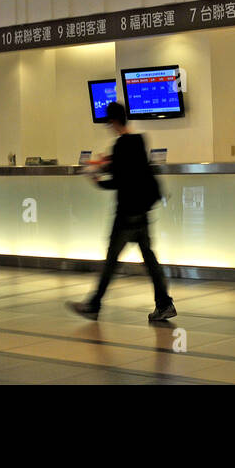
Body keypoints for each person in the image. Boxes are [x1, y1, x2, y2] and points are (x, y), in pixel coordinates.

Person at [69, 102, 175, 322]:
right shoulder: (139, 141)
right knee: (150, 259)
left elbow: (118, 181)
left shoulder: (120, 146)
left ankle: (93, 305)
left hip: (126, 214)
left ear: (114, 121)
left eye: (109, 122)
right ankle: (164, 304)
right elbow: (135, 172)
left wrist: (97, 181)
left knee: (111, 261)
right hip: (142, 212)